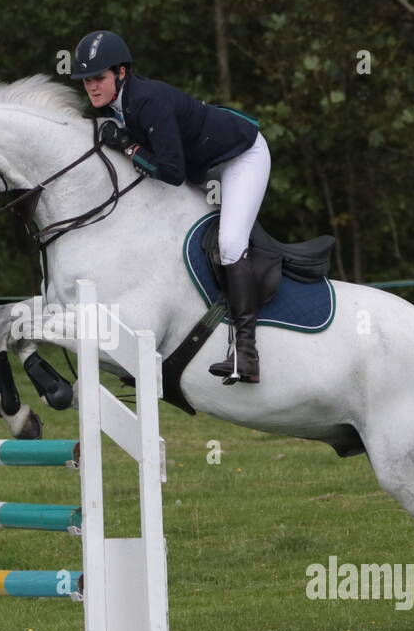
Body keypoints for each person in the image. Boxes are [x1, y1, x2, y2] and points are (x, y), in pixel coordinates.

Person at [70, 29, 271, 384]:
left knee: (230, 243)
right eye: (86, 81)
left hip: (240, 157)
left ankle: (246, 353)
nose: (92, 87)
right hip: (203, 165)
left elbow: (172, 173)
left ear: (121, 73)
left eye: (98, 78)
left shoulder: (148, 100)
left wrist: (129, 148)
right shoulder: (112, 104)